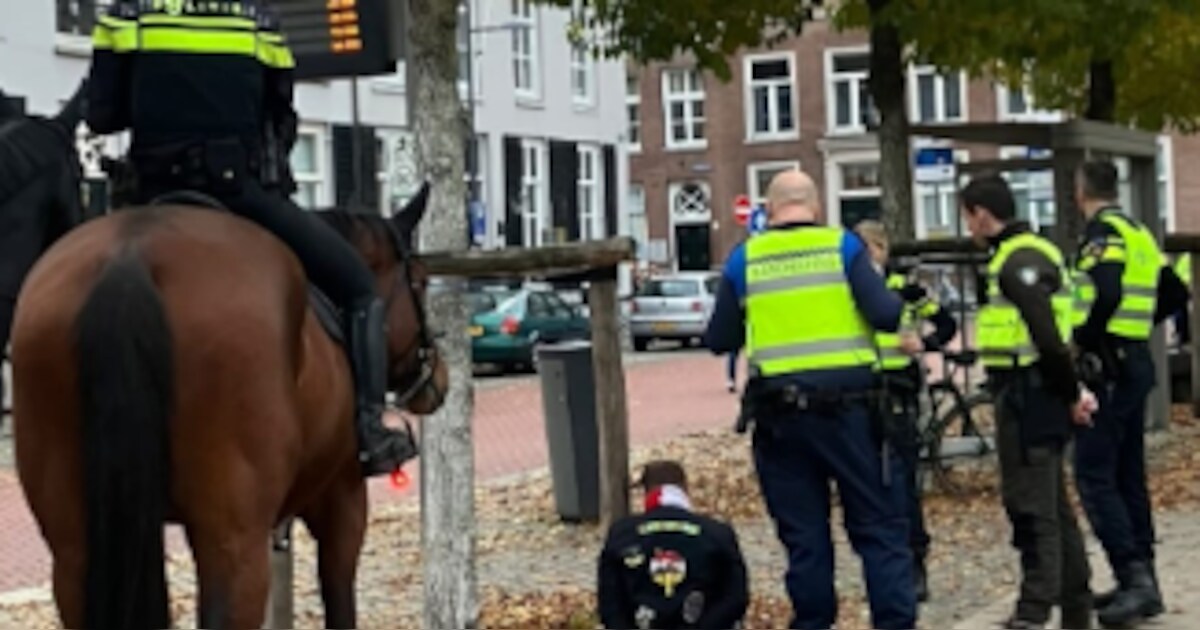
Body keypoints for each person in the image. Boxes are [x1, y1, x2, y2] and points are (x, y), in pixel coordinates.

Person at [84, 0, 415, 476]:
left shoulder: (127, 12)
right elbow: (278, 117)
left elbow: (102, 116)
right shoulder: (256, 15)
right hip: (238, 191)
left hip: (150, 191)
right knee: (359, 288)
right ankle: (368, 430)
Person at [705, 169, 917, 630]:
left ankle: (814, 623)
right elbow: (885, 315)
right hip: (852, 414)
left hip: (780, 419)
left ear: (770, 208)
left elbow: (719, 339)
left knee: (805, 539)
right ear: (816, 206)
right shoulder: (843, 247)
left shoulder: (745, 259)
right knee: (879, 530)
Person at [959, 173, 1095, 630]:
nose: (968, 228)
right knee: (1054, 506)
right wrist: (1070, 391)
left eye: (968, 217)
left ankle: (1034, 611)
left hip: (1028, 395)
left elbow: (1047, 338)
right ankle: (1076, 607)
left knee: (1032, 506)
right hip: (1036, 391)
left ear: (981, 214)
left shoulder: (1017, 261)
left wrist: (1071, 392)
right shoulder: (1032, 251)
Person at [1069, 160, 1187, 627]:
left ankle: (1133, 578)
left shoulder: (1103, 234)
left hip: (1109, 368)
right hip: (1133, 361)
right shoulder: (1139, 232)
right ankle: (1144, 578)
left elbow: (1106, 289)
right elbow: (1175, 292)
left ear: (1081, 191)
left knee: (1094, 474)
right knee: (1127, 474)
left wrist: (1086, 337)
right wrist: (1137, 328)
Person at [853, 219, 958, 603]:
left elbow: (946, 324)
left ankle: (915, 561)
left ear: (881, 249)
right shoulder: (850, 289)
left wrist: (923, 343)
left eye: (868, 248)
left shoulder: (905, 288)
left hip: (898, 390)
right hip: (861, 389)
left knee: (903, 480)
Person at [597, 460, 749, 629]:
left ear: (646, 492)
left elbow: (609, 606)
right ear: (684, 489)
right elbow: (736, 598)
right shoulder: (718, 534)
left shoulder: (621, 534)